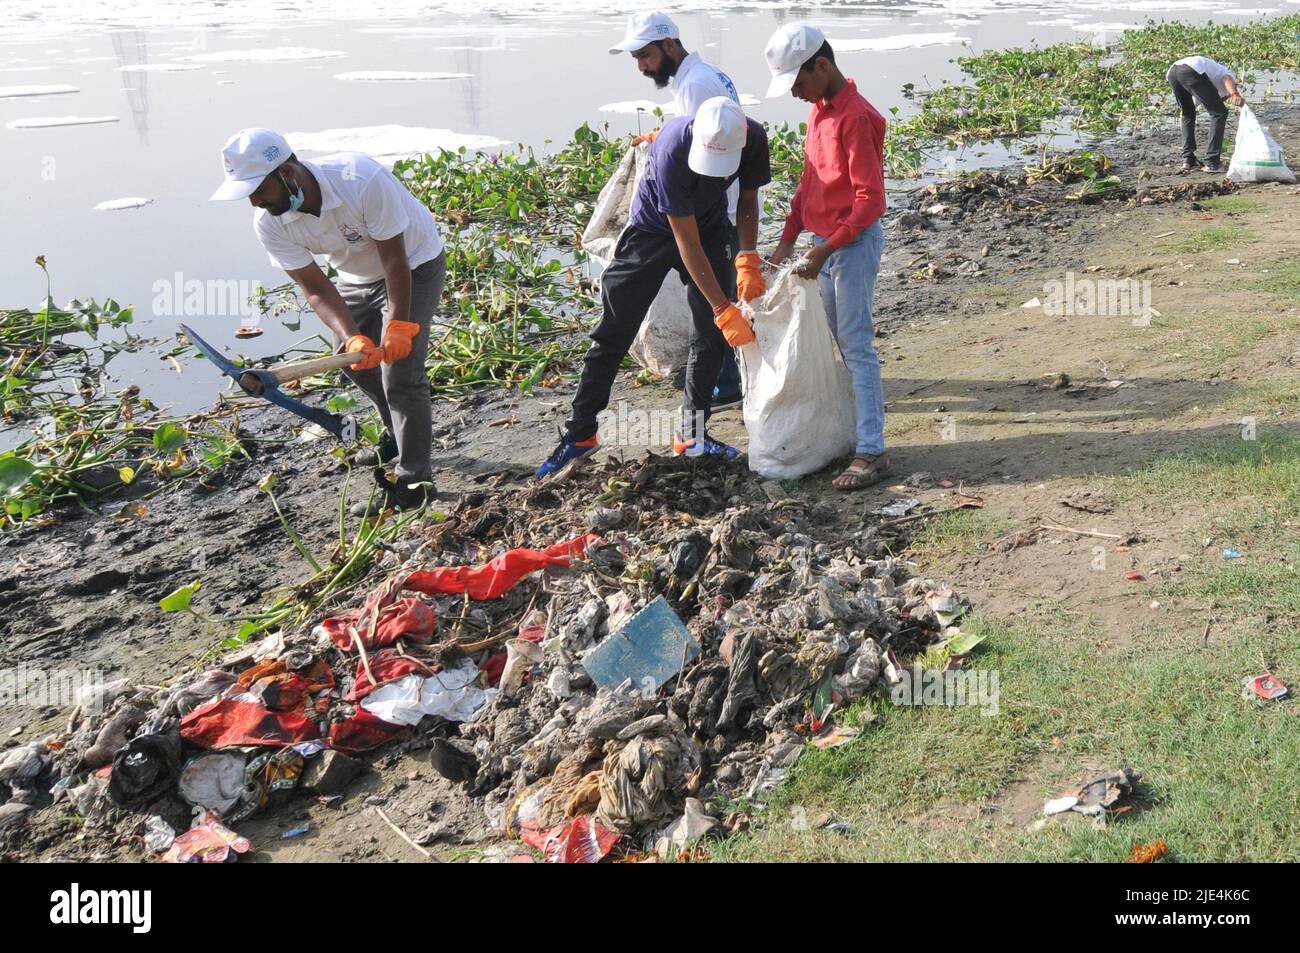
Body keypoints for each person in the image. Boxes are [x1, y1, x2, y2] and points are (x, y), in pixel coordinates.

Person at [209, 128, 445, 511]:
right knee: (354, 363)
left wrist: (399, 326)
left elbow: (394, 260)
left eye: (259, 189)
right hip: (355, 276)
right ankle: (397, 437)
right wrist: (352, 336)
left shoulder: (361, 179)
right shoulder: (269, 222)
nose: (255, 200)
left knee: (400, 375)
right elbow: (316, 289)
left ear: (287, 172)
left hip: (414, 264)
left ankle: (415, 483)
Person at [536, 97, 770, 478]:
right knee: (613, 333)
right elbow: (685, 241)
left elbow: (747, 200)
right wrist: (722, 306)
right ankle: (581, 435)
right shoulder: (672, 149)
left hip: (712, 229)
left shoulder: (753, 137)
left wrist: (747, 257)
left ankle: (690, 435)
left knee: (709, 338)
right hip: (653, 230)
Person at [609, 10, 756, 408]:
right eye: (637, 59)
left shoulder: (695, 84)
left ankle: (725, 384)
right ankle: (726, 377)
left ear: (669, 45)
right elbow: (699, 131)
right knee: (712, 292)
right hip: (717, 197)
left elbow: (703, 147)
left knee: (711, 295)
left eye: (646, 56)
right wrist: (662, 136)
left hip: (713, 204)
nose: (642, 66)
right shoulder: (704, 75)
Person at [765, 24, 889, 491]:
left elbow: (870, 201)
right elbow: (809, 183)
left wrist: (825, 249)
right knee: (838, 341)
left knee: (856, 343)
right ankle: (854, 436)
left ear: (822, 66)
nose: (795, 93)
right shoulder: (820, 113)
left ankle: (872, 452)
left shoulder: (856, 116)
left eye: (798, 83)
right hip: (825, 242)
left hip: (851, 246)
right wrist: (788, 238)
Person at [1166, 55, 1245, 173]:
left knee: (1188, 114)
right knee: (1220, 112)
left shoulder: (1205, 83)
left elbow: (1185, 114)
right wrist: (1234, 94)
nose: (1223, 99)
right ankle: (1212, 162)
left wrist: (1183, 117)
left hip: (1173, 72)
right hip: (1192, 69)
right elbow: (1227, 78)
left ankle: (1188, 160)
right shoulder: (1225, 74)